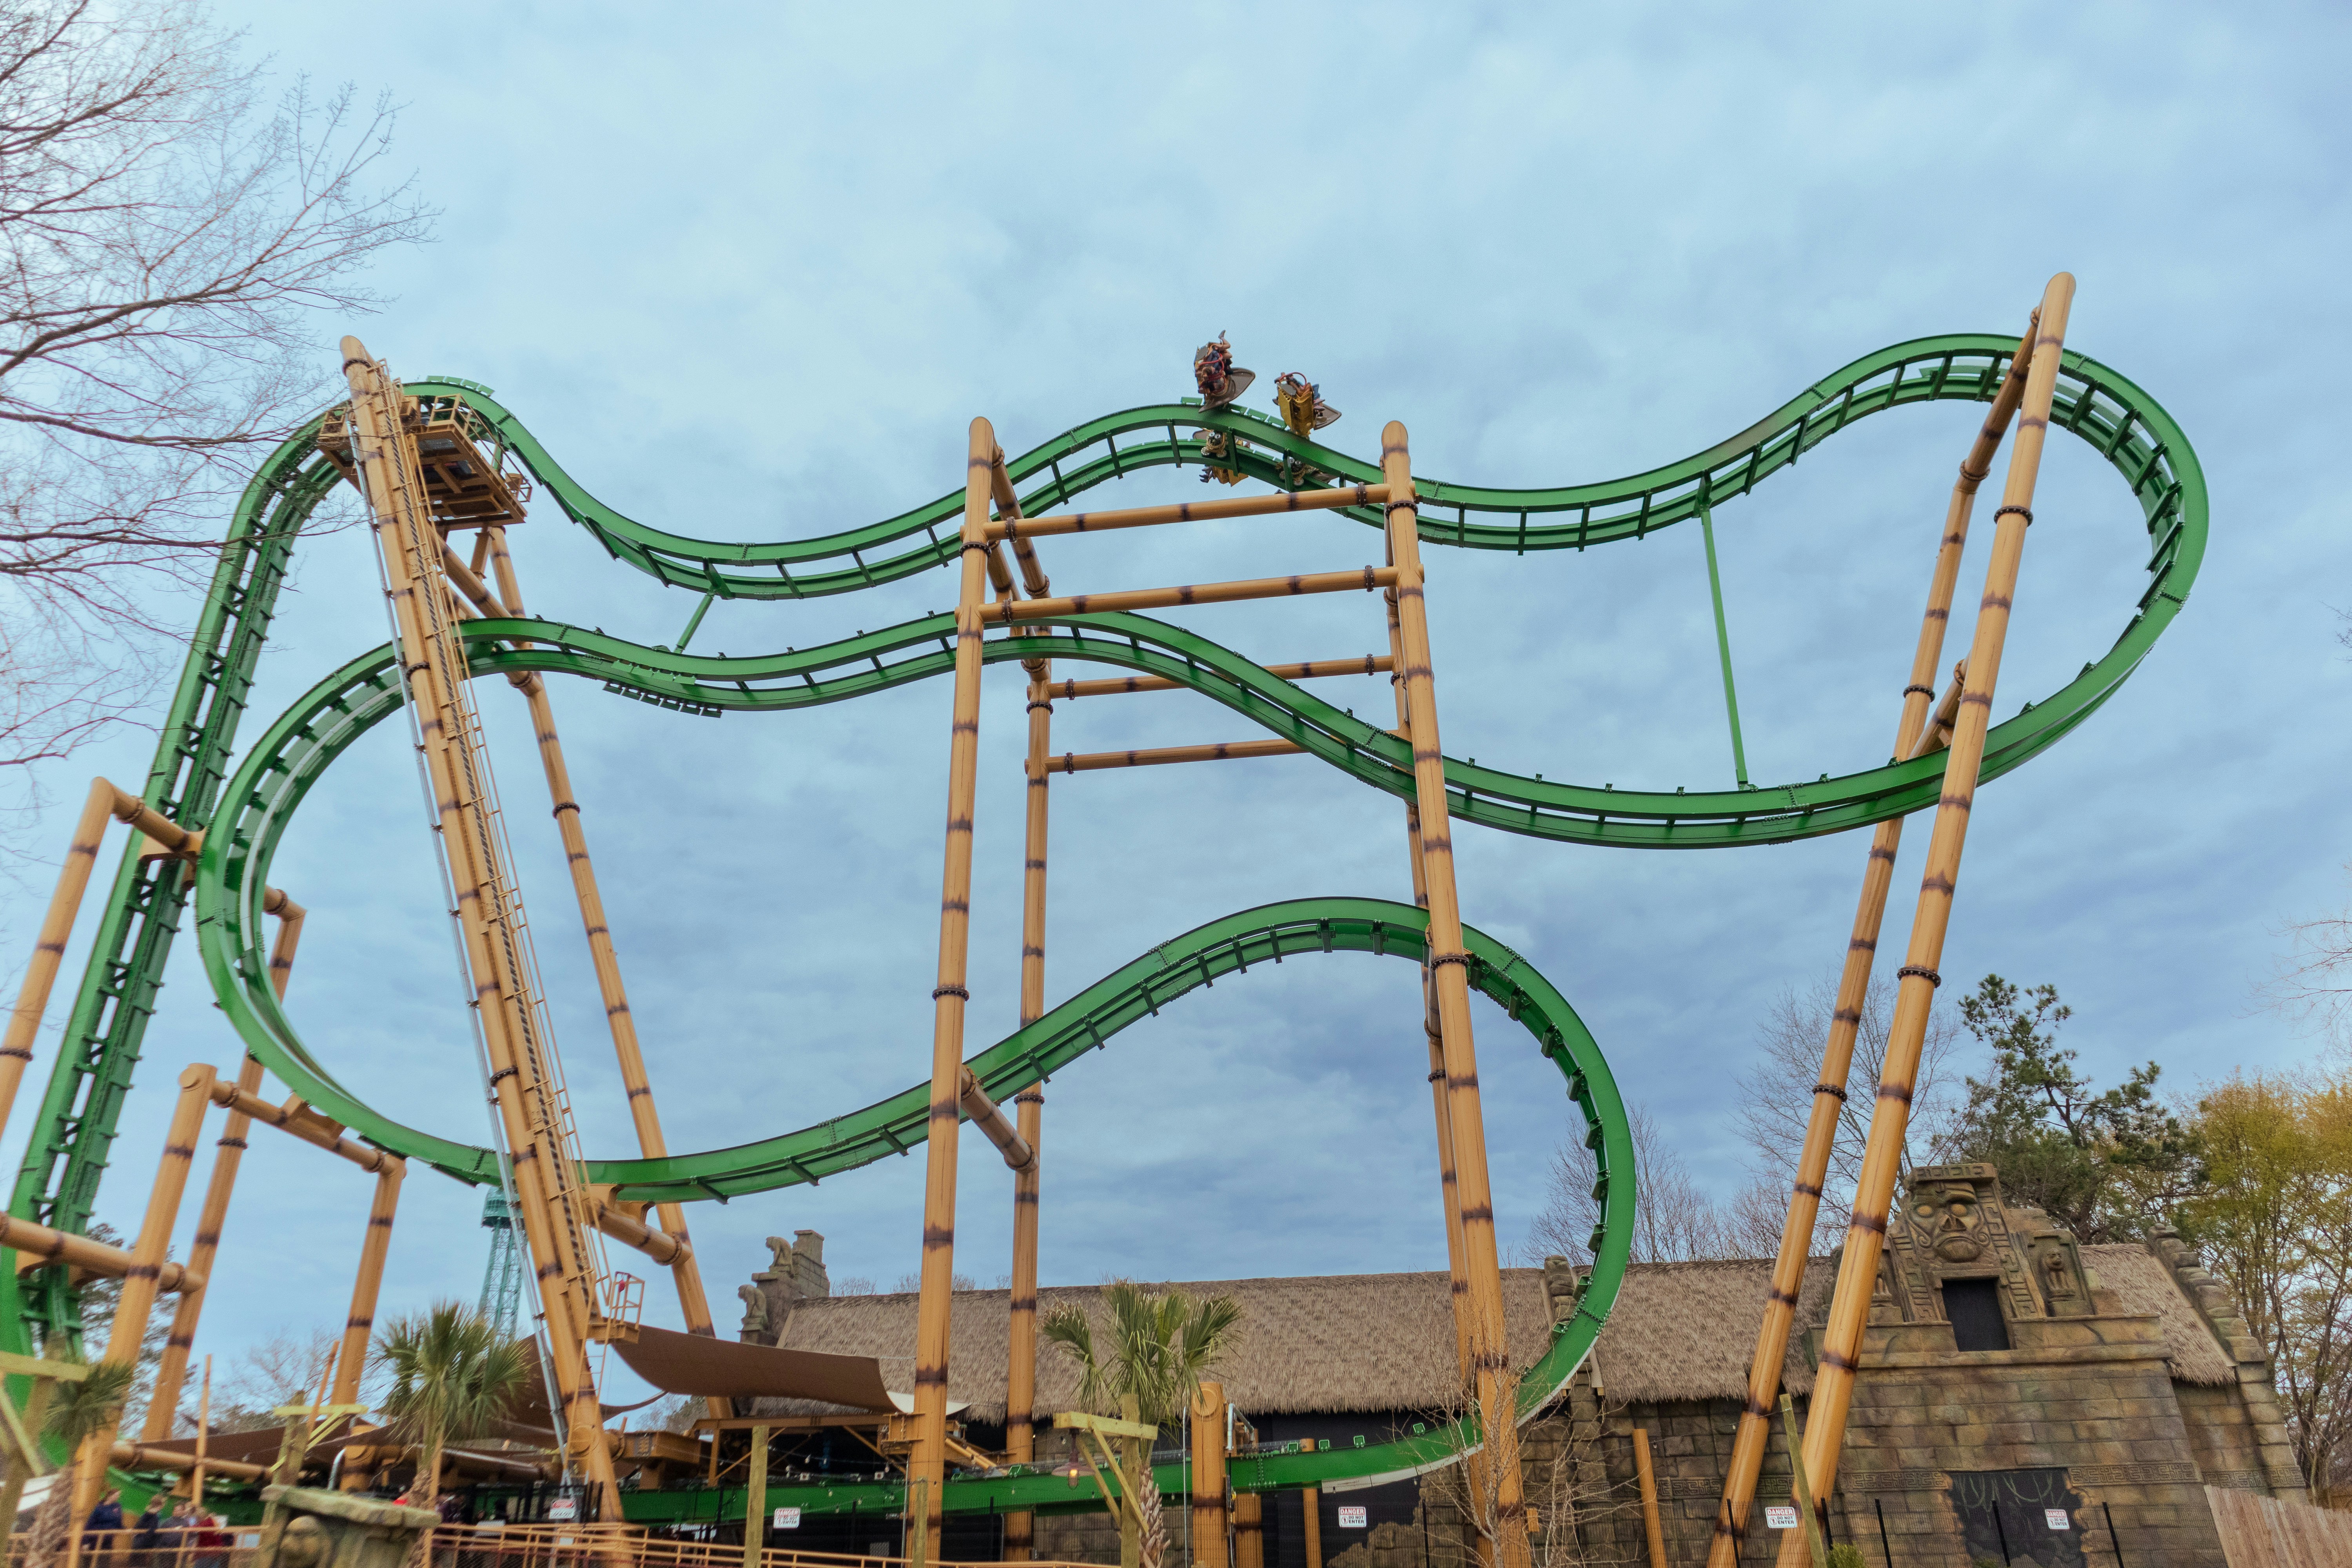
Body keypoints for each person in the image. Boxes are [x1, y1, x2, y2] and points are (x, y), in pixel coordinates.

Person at [84, 1488, 125, 1562]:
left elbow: (119, 1522)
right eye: (116, 1495)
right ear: (110, 1496)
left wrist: (125, 1529)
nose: (118, 1497)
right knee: (92, 1561)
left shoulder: (118, 1506)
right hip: (96, 1539)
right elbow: (89, 1524)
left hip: (109, 1539)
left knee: (105, 1560)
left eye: (119, 1495)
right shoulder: (99, 1508)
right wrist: (85, 1542)